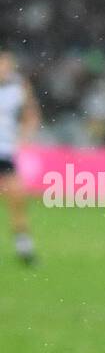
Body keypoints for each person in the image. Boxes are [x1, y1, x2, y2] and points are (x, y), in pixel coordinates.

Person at [0, 50, 40, 264]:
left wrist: (25, 136)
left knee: (17, 200)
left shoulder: (19, 87)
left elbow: (31, 114)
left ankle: (24, 247)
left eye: (6, 65)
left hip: (5, 151)